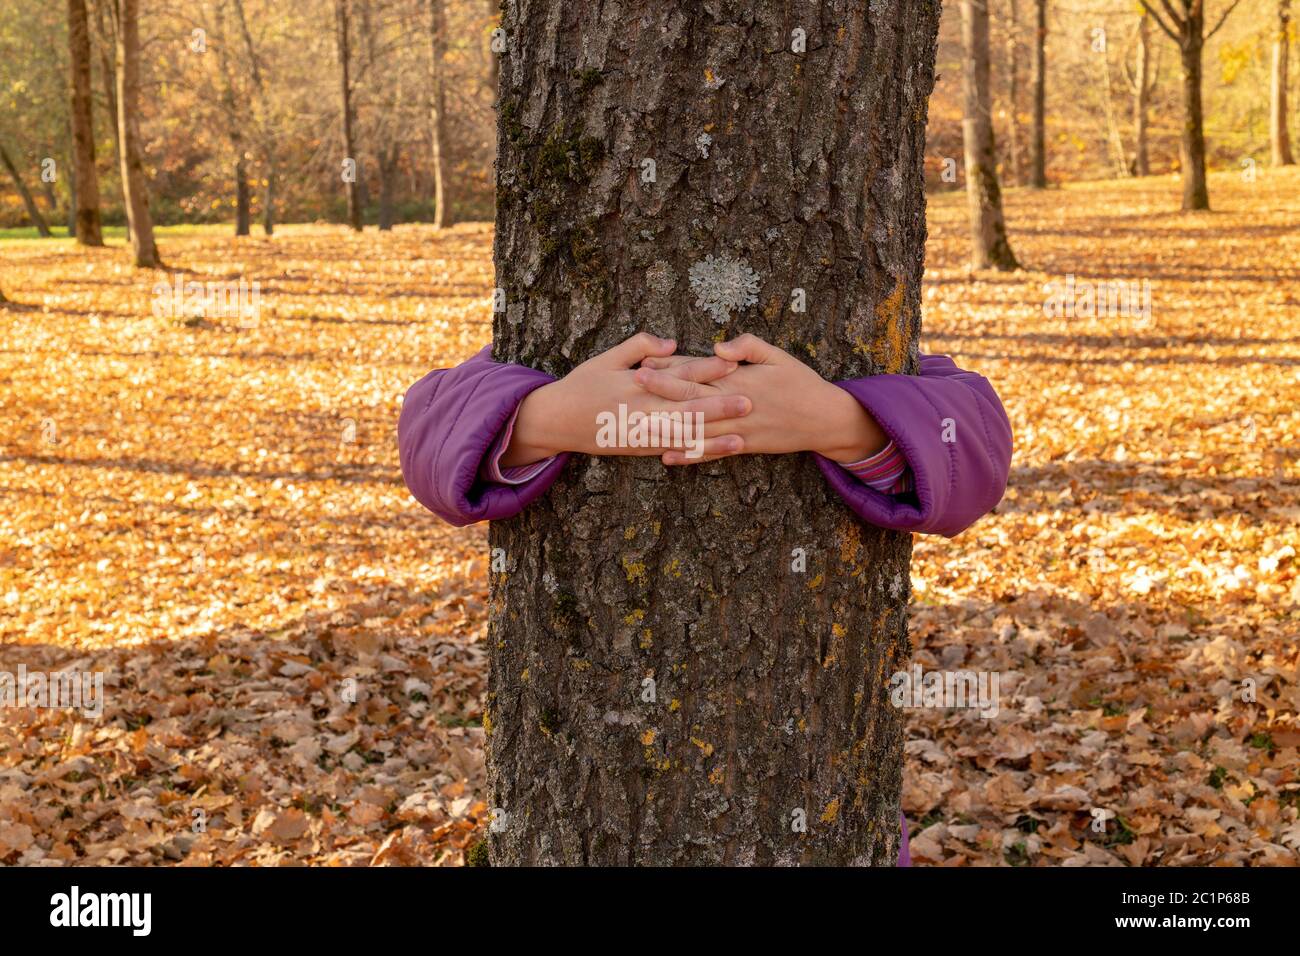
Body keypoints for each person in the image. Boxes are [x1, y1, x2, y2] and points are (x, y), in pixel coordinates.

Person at [398, 331, 1014, 865]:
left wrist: (841, 422)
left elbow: (976, 459)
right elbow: (430, 439)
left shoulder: (894, 356)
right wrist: (548, 418)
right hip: (576, 796)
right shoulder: (524, 357)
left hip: (819, 797)